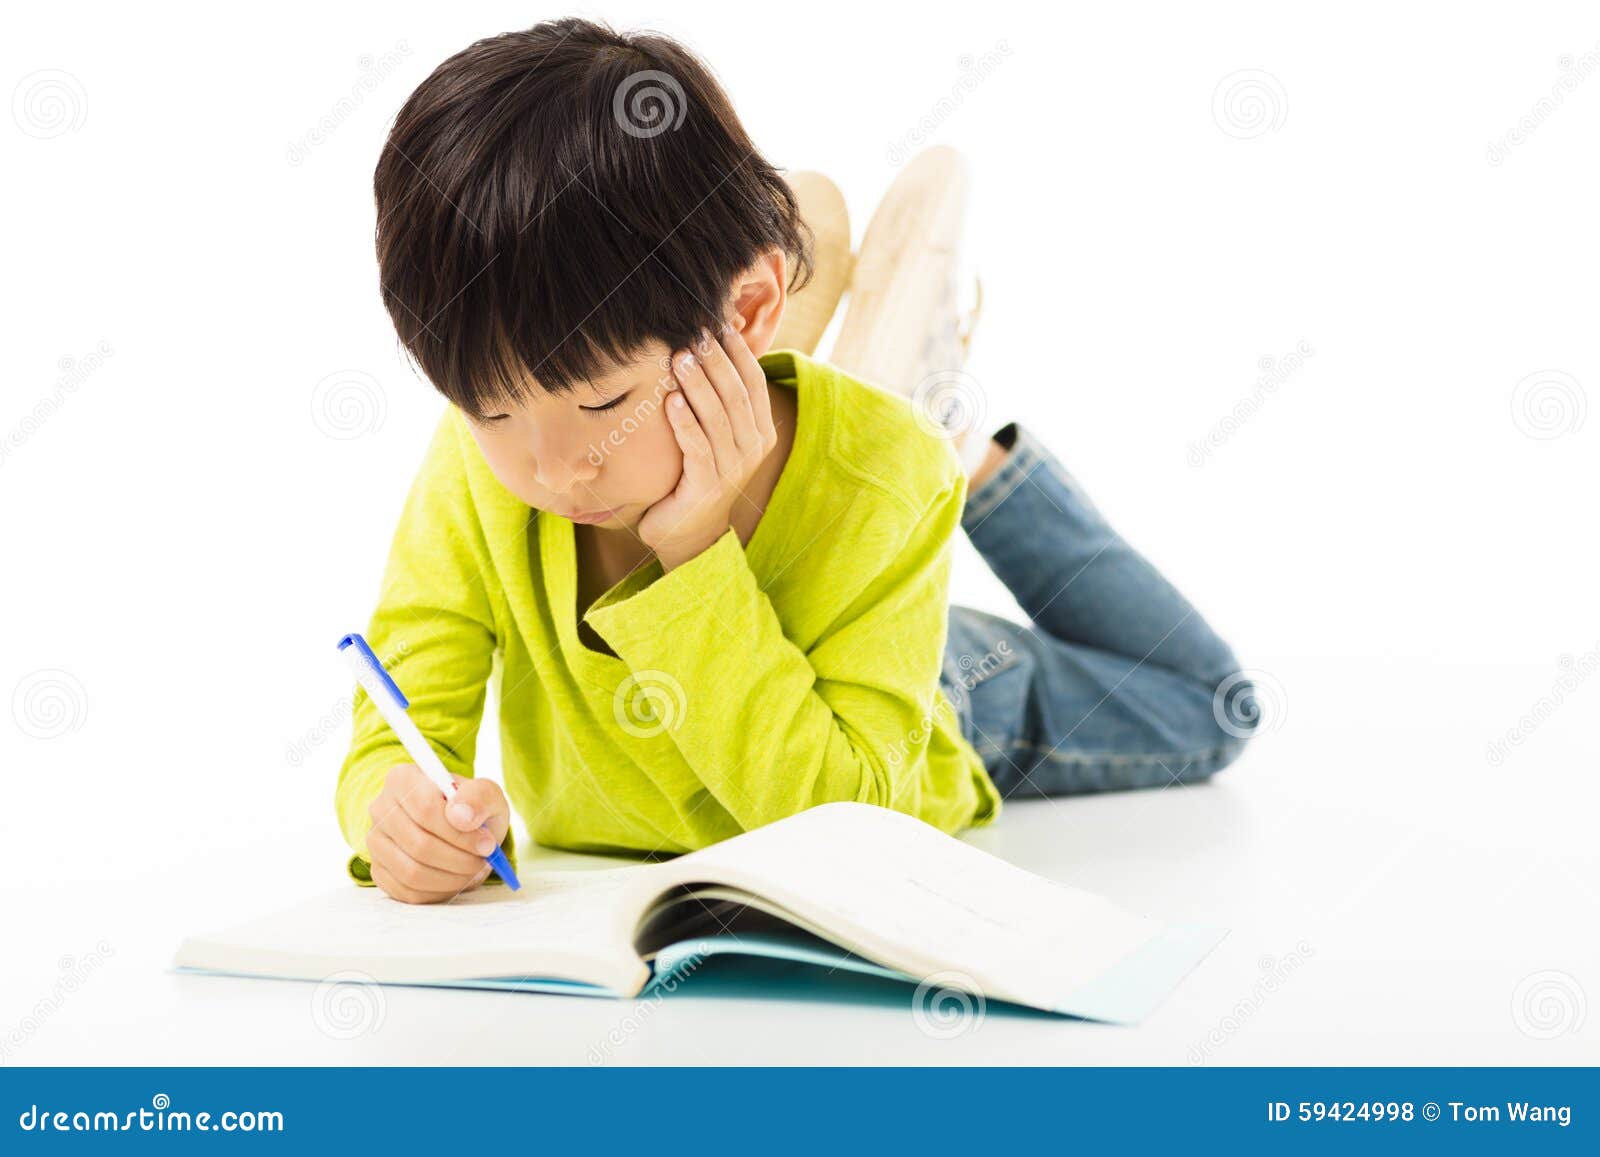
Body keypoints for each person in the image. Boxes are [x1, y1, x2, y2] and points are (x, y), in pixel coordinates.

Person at [337, 17, 1258, 904]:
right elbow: (400, 710)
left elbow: (843, 830)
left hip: (908, 703)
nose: (552, 471)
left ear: (743, 311)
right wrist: (394, 812)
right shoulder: (482, 454)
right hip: (793, 619)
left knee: (1210, 704)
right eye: (488, 407)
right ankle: (824, 371)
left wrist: (696, 548)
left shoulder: (884, 479)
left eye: (605, 404)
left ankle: (948, 434)